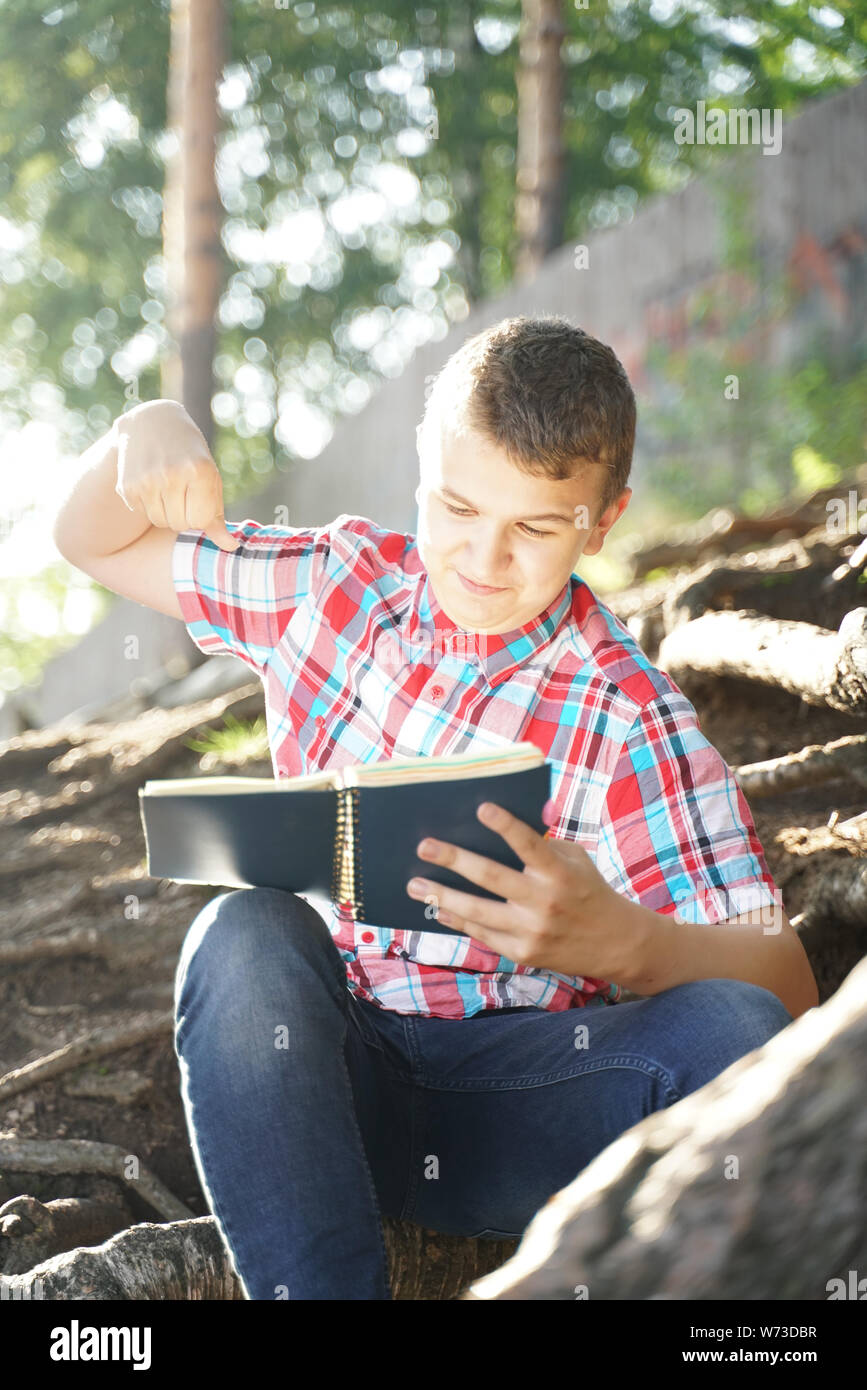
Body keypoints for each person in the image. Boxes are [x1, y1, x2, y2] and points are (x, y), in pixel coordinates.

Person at [52, 314, 818, 1301]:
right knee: (240, 936)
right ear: (422, 463)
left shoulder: (627, 715)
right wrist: (142, 431)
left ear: (603, 522)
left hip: (522, 1108)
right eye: (456, 506)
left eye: (535, 528)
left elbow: (788, 997)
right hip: (324, 1090)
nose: (483, 559)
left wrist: (623, 942)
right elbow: (88, 539)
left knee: (728, 1026)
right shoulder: (330, 587)